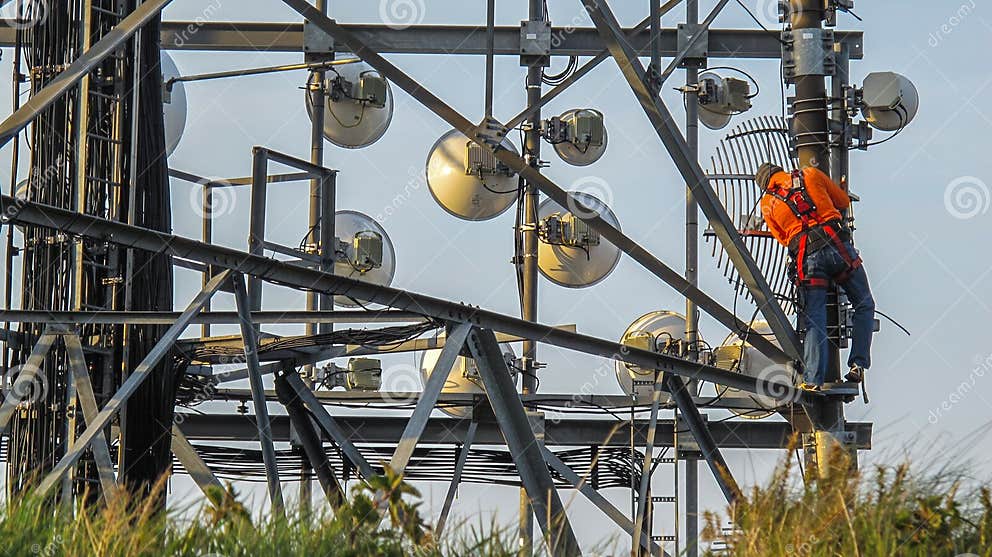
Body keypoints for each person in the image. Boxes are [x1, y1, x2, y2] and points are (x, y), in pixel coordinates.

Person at [755, 163, 876, 392]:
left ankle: (813, 380)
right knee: (864, 303)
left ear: (765, 185)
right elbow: (842, 202)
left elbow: (782, 239)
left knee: (815, 317)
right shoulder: (809, 174)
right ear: (779, 169)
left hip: (807, 259)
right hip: (838, 248)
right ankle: (858, 364)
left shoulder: (767, 204)